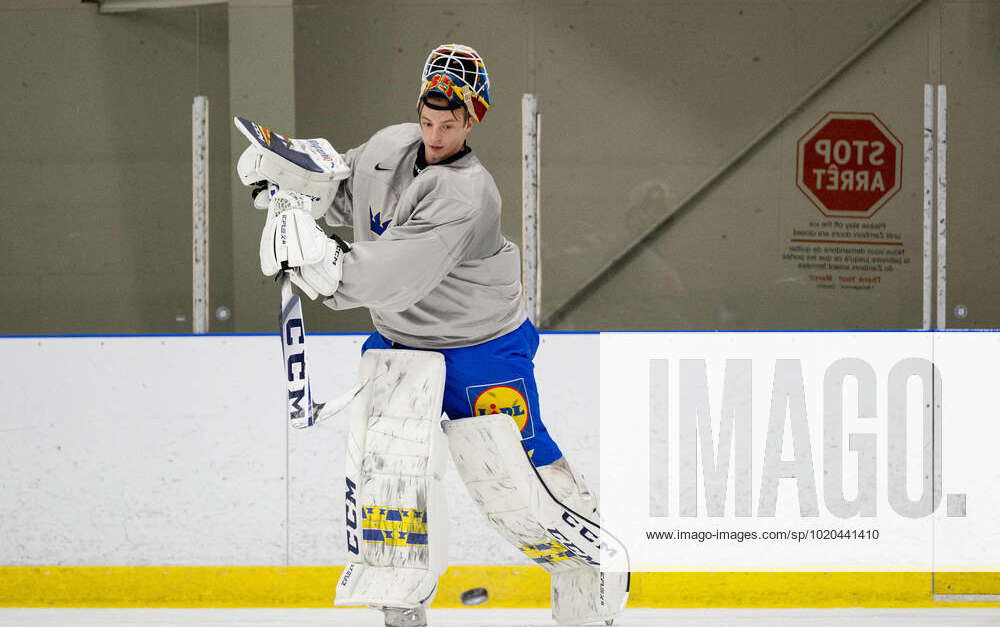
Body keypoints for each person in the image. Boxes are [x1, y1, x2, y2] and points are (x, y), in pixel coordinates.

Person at [251, 44, 627, 627]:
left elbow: (400, 272)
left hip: (483, 350)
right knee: (391, 489)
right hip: (402, 346)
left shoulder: (467, 193)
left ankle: (591, 581)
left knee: (515, 489)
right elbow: (343, 192)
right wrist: (287, 185)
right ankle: (400, 615)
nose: (433, 135)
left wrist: (327, 267)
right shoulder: (387, 147)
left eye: (447, 126)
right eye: (427, 122)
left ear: (472, 120)